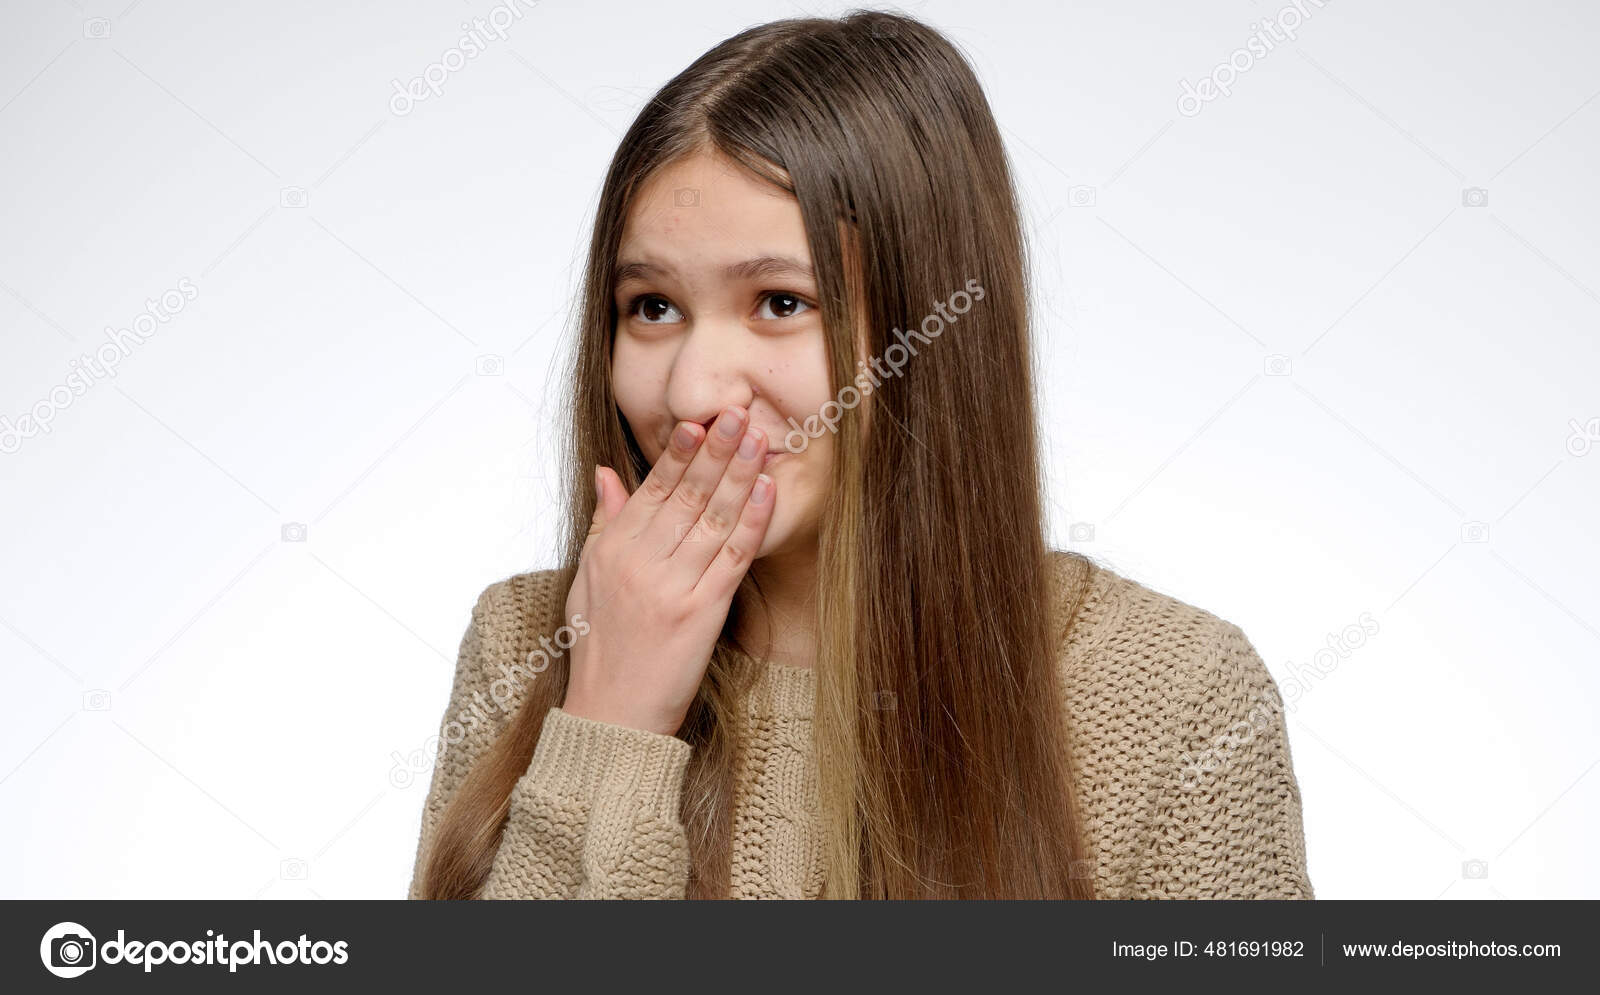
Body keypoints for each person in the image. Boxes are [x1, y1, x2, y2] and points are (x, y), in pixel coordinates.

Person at [408, 10, 1313, 900]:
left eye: (779, 302)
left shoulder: (1173, 692)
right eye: (652, 307)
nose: (691, 392)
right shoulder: (528, 644)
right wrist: (608, 723)